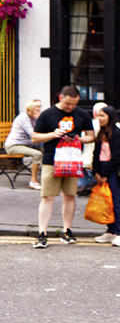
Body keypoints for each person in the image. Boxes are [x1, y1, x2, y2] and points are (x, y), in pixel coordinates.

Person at [30, 85, 95, 248]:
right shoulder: (47, 114)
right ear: (61, 98)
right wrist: (53, 134)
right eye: (68, 104)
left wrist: (79, 139)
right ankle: (42, 233)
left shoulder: (81, 114)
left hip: (73, 160)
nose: (71, 107)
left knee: (69, 196)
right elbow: (35, 137)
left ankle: (67, 231)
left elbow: (91, 136)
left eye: (74, 104)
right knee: (48, 197)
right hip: (51, 160)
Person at [92, 106, 120, 247]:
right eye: (98, 115)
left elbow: (117, 157)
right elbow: (96, 153)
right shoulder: (101, 133)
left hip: (113, 171)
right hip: (102, 169)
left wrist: (105, 174)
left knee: (116, 201)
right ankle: (111, 230)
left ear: (110, 117)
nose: (99, 118)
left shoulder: (118, 134)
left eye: (102, 116)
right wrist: (96, 171)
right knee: (107, 201)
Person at [4, 99, 43, 190]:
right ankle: (33, 181)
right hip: (14, 146)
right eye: (36, 107)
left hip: (25, 145)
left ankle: (48, 178)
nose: (39, 109)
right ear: (30, 108)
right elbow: (33, 134)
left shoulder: (33, 118)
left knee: (48, 151)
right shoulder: (24, 118)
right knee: (38, 154)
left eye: (40, 107)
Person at [77, 101, 109, 196]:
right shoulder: (116, 125)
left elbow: (83, 136)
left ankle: (87, 183)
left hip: (94, 155)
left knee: (82, 163)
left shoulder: (93, 123)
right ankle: (88, 184)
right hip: (94, 154)